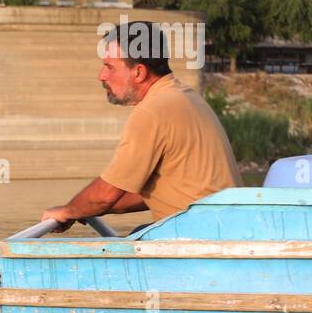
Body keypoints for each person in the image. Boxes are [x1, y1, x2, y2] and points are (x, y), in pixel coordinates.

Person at [41, 20, 241, 232]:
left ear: (138, 72)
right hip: (223, 229)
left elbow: (105, 195)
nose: (101, 75)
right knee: (139, 232)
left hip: (201, 238)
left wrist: (66, 211)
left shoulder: (151, 111)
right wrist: (83, 209)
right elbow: (157, 192)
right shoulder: (186, 97)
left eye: (109, 66)